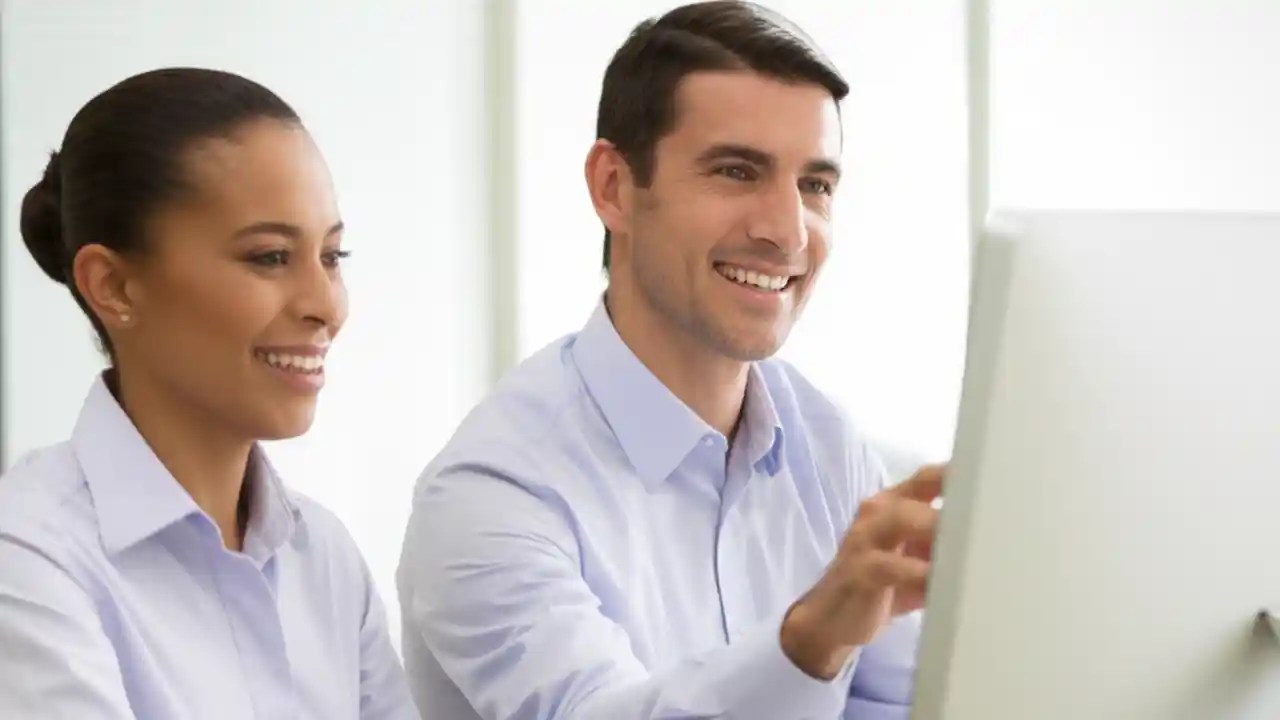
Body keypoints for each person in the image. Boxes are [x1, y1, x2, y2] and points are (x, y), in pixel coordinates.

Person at [398, 2, 943, 719]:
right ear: (614, 188)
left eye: (815, 185)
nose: (787, 233)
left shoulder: (829, 448)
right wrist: (807, 642)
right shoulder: (492, 496)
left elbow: (913, 705)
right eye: (737, 171)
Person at [0, 68, 418, 719]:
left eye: (332, 257)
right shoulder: (25, 554)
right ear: (112, 286)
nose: (323, 306)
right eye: (271, 257)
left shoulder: (324, 558)